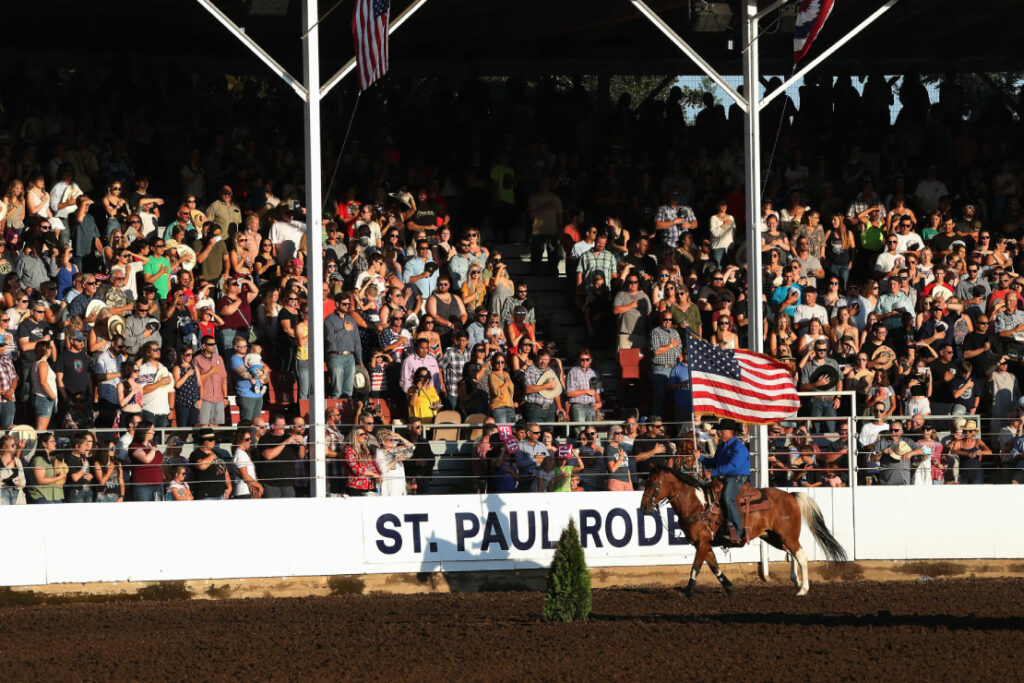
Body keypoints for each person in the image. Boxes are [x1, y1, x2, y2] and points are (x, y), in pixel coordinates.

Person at [699, 419, 751, 544]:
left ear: (731, 432)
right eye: (719, 430)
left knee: (728, 497)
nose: (719, 433)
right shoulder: (722, 446)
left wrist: (713, 473)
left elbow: (733, 466)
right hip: (725, 477)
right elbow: (715, 462)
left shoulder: (739, 447)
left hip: (737, 477)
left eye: (722, 431)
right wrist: (700, 457)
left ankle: (738, 531)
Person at [189, 429, 232, 500]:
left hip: (221, 493)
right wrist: (211, 456)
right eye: (210, 440)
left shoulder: (218, 454)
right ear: (203, 441)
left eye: (214, 440)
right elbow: (201, 466)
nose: (213, 442)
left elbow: (225, 471)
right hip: (206, 494)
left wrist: (229, 487)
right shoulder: (196, 454)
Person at [129, 421, 164, 502]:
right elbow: (146, 459)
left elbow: (161, 460)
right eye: (152, 430)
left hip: (158, 483)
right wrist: (153, 450)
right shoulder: (134, 445)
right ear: (145, 431)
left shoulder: (153, 444)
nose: (154, 432)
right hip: (143, 485)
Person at [373, 429, 412, 496]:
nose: (393, 441)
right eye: (390, 439)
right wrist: (396, 460)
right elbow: (383, 469)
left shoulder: (395, 450)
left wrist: (400, 437)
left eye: (393, 439)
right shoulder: (379, 452)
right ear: (383, 441)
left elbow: (411, 448)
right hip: (389, 488)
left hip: (399, 486)